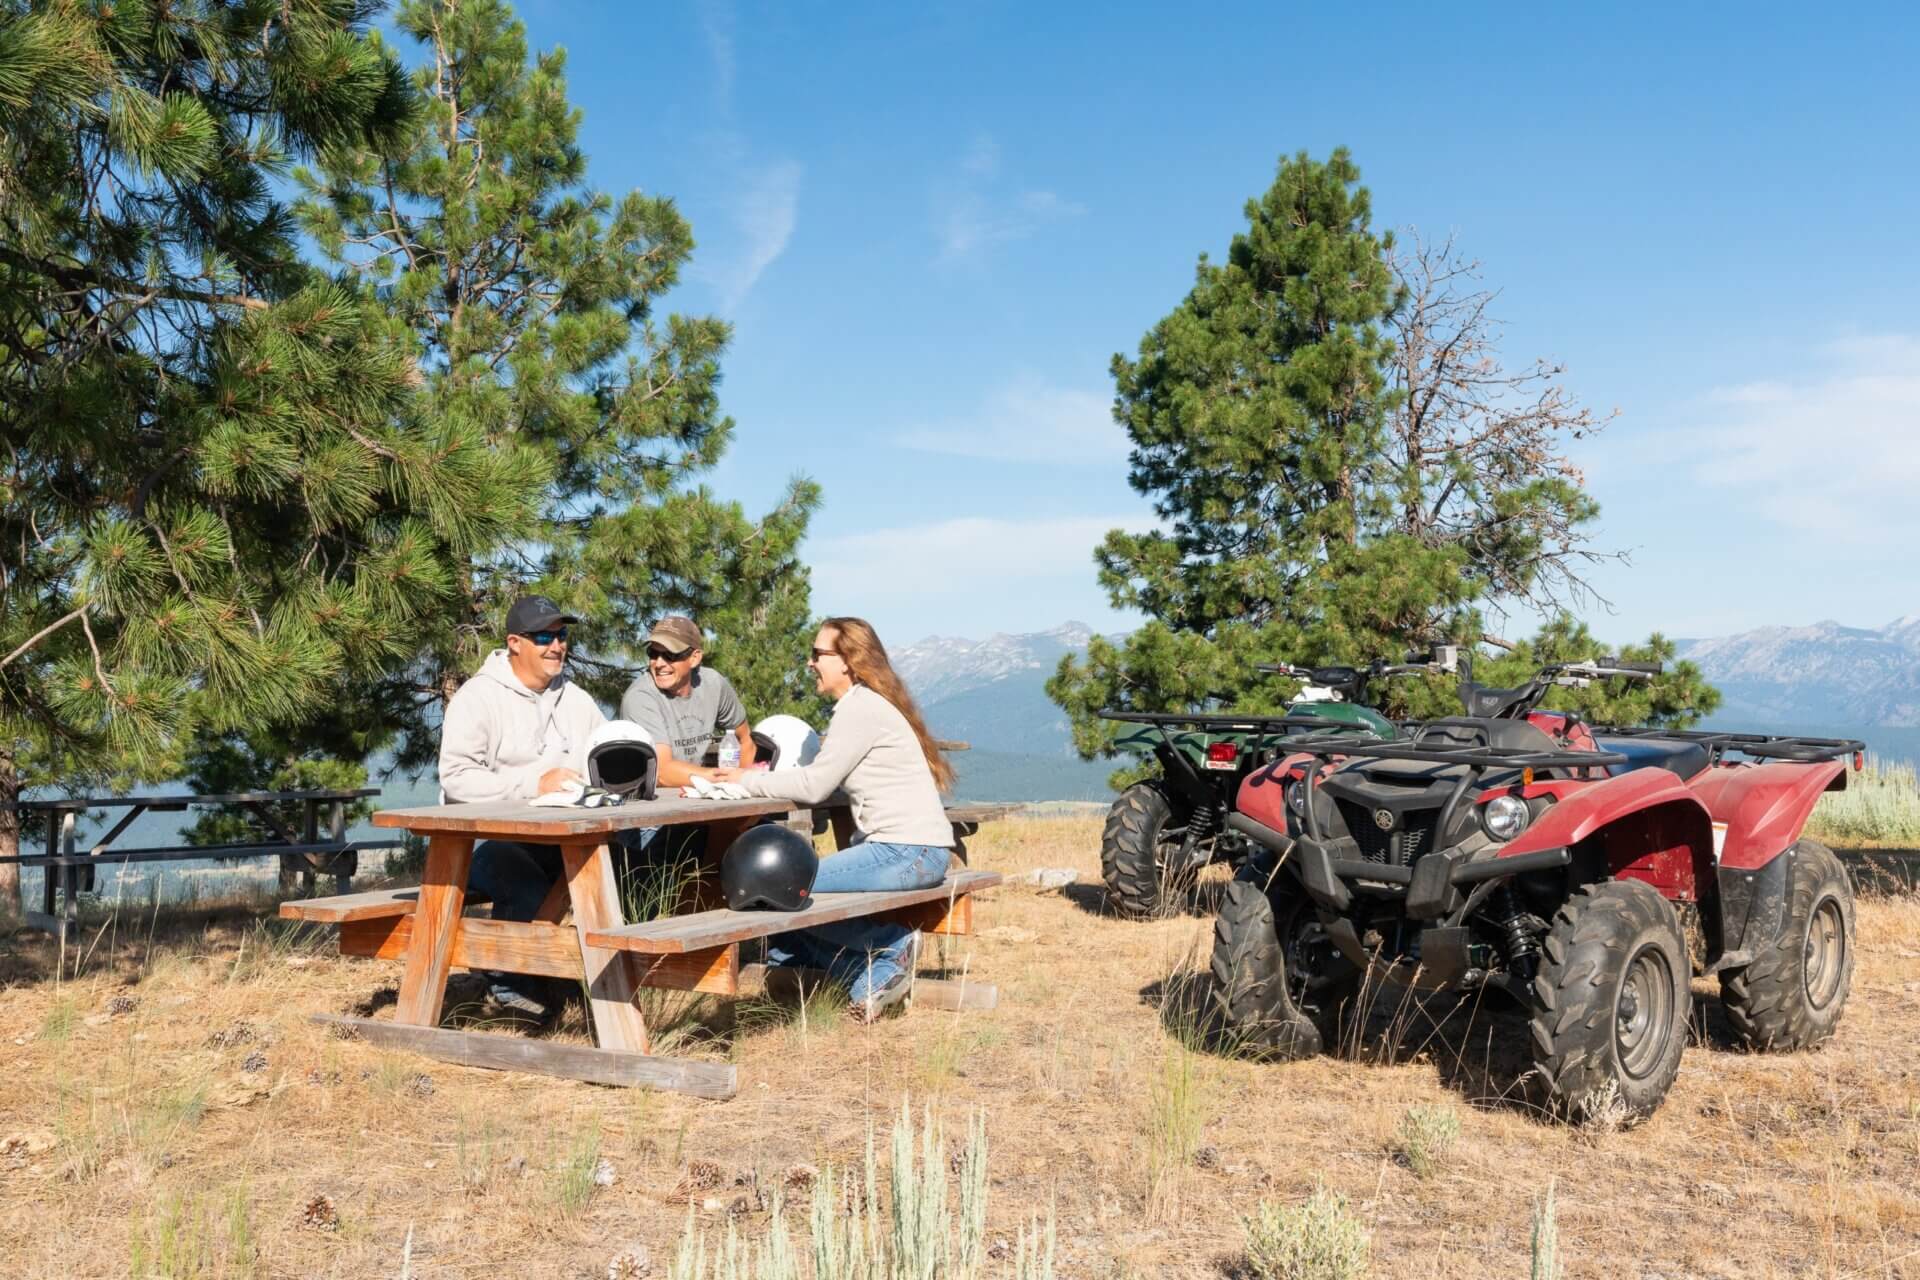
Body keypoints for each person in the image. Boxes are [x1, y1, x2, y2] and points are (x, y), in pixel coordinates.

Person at [714, 615, 955, 1023]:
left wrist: (748, 780)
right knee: (784, 936)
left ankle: (888, 946)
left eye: (817, 654)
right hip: (916, 850)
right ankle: (871, 973)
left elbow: (814, 786)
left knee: (784, 890)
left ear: (847, 660)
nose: (810, 663)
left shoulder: (858, 708)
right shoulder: (867, 705)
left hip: (906, 850)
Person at [439, 594, 605, 1022]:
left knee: (618, 868)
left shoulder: (576, 699)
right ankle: (509, 984)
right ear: (514, 642)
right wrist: (534, 784)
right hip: (484, 842)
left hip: (559, 838)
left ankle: (568, 977)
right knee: (521, 875)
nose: (557, 645)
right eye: (544, 636)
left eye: (562, 635)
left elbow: (603, 752)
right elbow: (455, 779)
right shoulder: (477, 699)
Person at [617, 615, 756, 787]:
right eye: (653, 653)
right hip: (653, 803)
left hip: (699, 793)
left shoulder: (713, 684)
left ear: (694, 658)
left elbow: (745, 740)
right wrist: (722, 778)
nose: (659, 663)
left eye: (670, 655)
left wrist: (742, 789)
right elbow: (662, 771)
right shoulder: (640, 697)